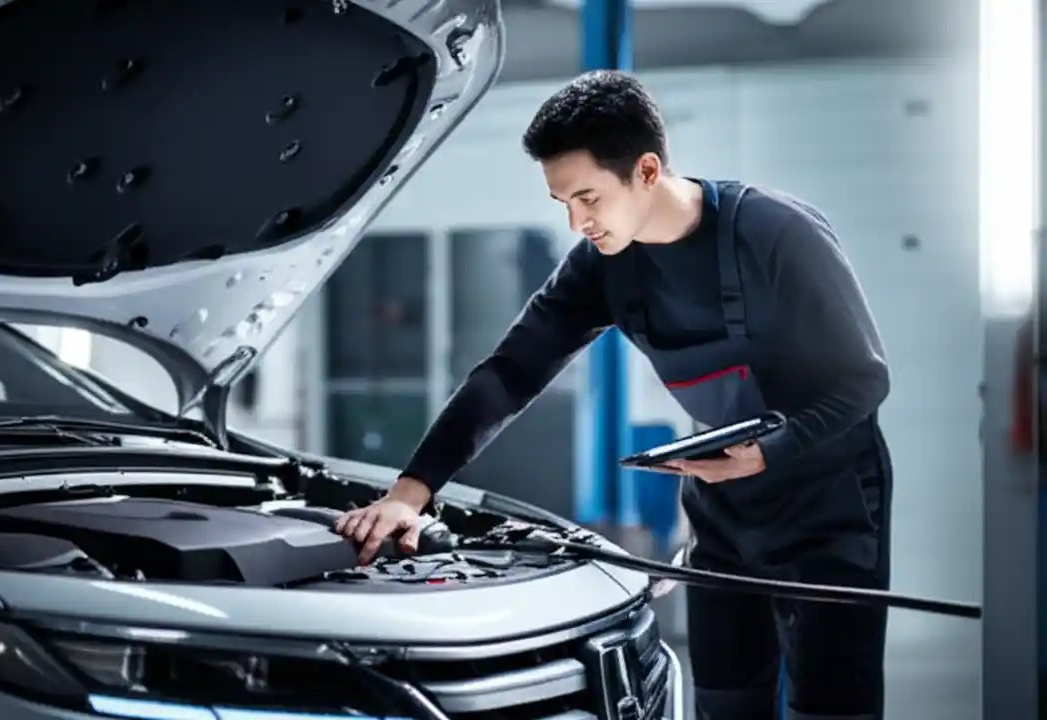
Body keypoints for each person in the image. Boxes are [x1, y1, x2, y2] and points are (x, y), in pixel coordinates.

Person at [334, 69, 893, 720]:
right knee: (724, 704)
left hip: (830, 508)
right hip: (723, 512)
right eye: (563, 203)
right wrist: (411, 491)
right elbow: (512, 371)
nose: (578, 222)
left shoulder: (774, 234)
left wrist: (771, 450)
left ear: (648, 171)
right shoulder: (603, 266)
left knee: (832, 708)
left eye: (589, 198)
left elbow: (864, 379)